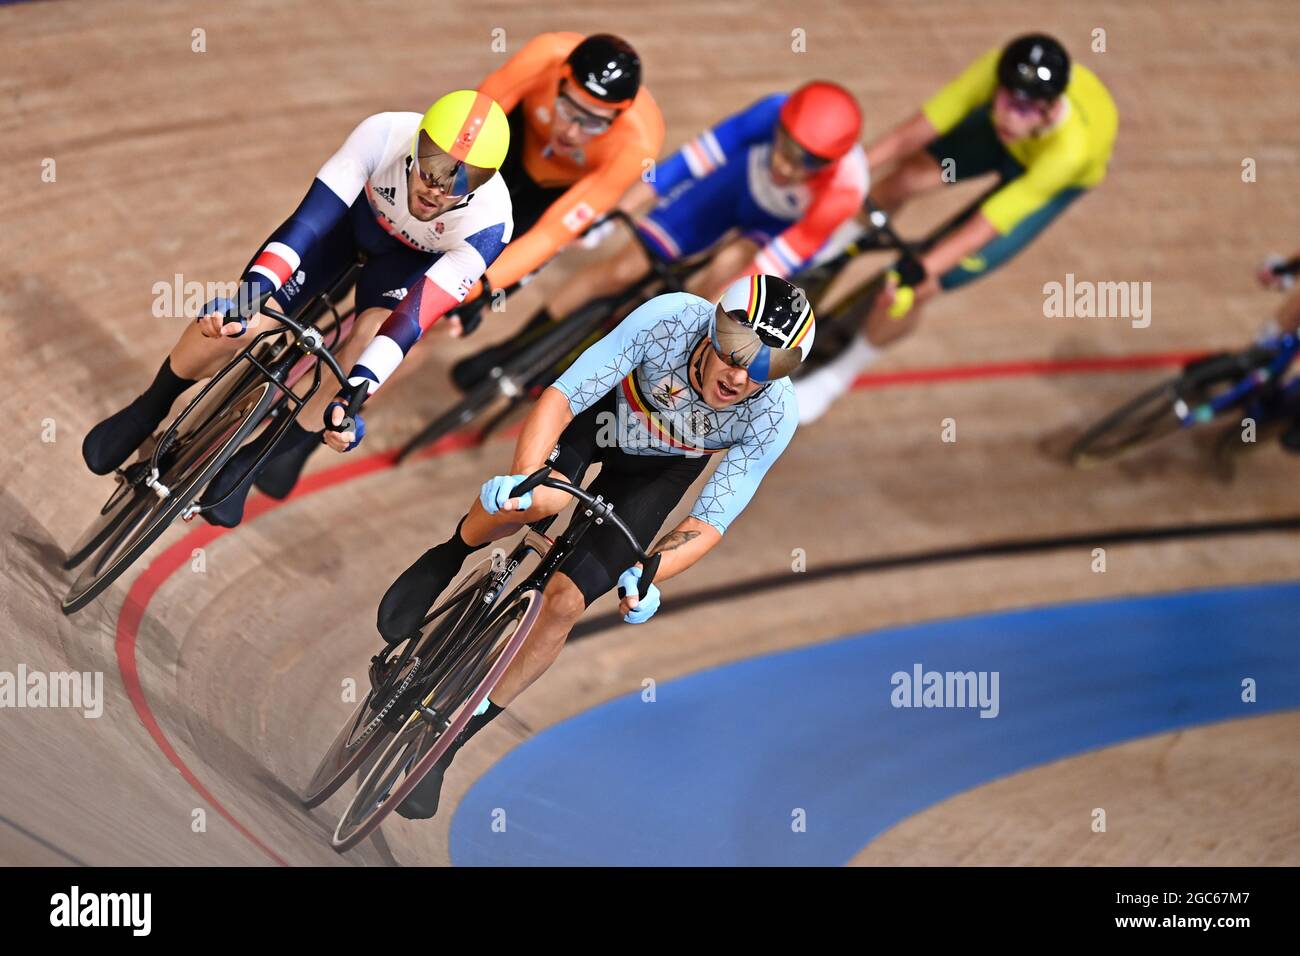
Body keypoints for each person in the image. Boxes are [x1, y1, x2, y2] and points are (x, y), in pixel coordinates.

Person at [374, 274, 815, 819]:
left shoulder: (774, 413)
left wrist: (653, 572)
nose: (743, 374)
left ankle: (452, 740)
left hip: (659, 473)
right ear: (714, 327)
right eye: (737, 351)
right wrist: (524, 478)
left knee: (564, 605)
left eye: (768, 365)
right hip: (600, 421)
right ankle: (448, 554)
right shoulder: (671, 319)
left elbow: (713, 517)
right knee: (539, 505)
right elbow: (563, 398)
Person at [256, 32, 665, 497]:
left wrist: (477, 287)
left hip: (537, 211)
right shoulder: (545, 54)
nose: (572, 130)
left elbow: (553, 234)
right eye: (570, 108)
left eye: (594, 123)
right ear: (560, 80)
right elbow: (470, 125)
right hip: (490, 160)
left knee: (431, 322)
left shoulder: (638, 142)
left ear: (619, 117)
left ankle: (305, 438)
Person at [81, 90, 514, 527]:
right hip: (345, 228)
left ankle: (247, 464)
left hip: (405, 270)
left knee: (362, 353)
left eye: (459, 180)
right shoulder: (384, 133)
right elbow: (305, 227)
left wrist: (356, 392)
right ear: (418, 141)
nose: (437, 187)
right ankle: (150, 406)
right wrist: (249, 298)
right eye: (433, 164)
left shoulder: (491, 225)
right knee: (242, 321)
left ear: (483, 182)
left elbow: (410, 321)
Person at [449, 81, 866, 392]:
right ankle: (509, 350)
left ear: (830, 162)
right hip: (730, 189)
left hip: (770, 231)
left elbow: (767, 268)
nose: (788, 168)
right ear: (781, 126)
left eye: (806, 163)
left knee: (724, 277)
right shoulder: (771, 111)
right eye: (785, 149)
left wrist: (714, 318)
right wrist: (613, 216)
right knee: (623, 268)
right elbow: (681, 167)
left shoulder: (845, 189)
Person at [795, 33, 1119, 423]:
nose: (1009, 116)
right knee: (904, 180)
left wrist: (922, 268)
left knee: (914, 287)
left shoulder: (1069, 151)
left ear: (1050, 110)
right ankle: (838, 244)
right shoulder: (994, 77)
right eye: (1004, 99)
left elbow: (988, 224)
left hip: (1048, 179)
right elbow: (908, 137)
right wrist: (847, 173)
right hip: (1002, 144)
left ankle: (835, 378)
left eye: (1024, 109)